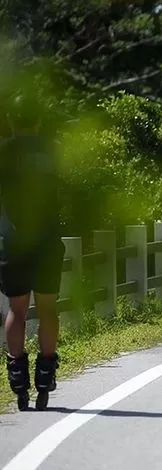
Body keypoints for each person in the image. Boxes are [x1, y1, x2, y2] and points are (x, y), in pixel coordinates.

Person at [0, 95, 63, 411]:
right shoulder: (51, 152)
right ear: (39, 121)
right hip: (48, 240)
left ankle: (17, 377)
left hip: (13, 241)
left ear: (11, 119)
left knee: (17, 309)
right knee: (48, 308)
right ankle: (45, 374)